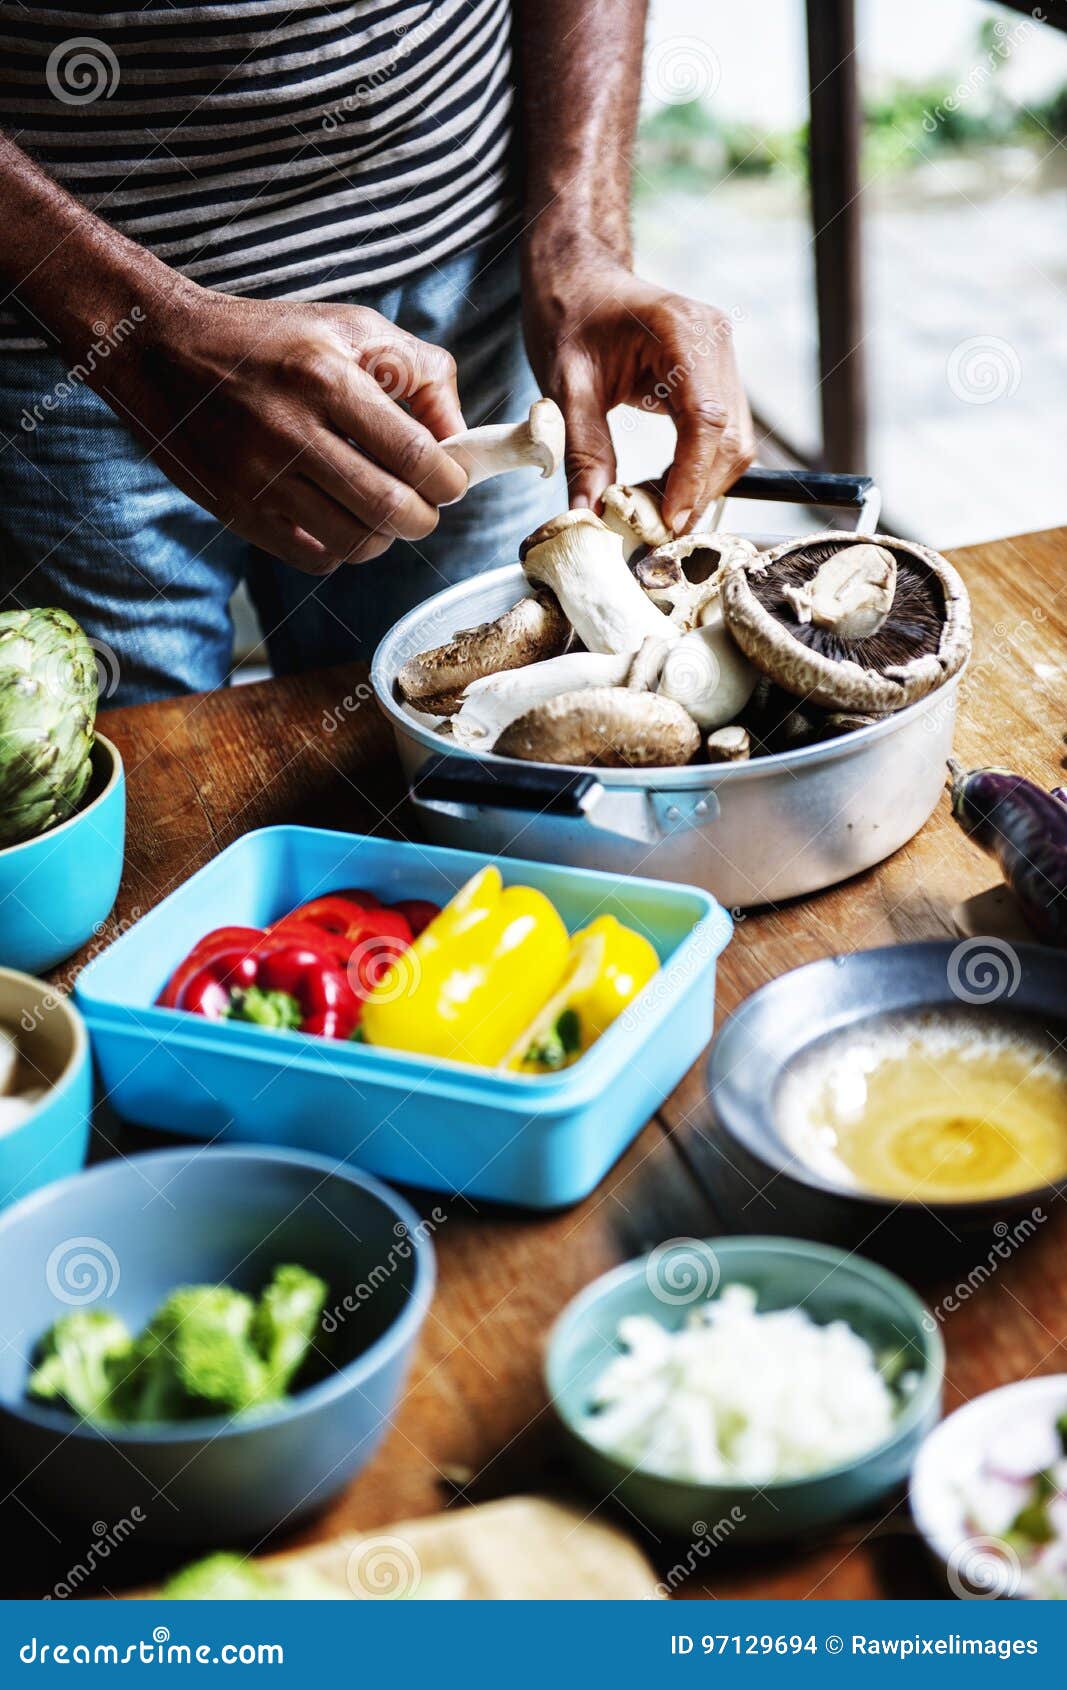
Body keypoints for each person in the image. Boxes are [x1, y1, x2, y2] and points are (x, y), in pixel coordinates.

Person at [0, 1, 754, 705]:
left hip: (463, 272)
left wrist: (578, 236)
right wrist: (128, 326)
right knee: (139, 782)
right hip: (64, 338)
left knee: (442, 735)